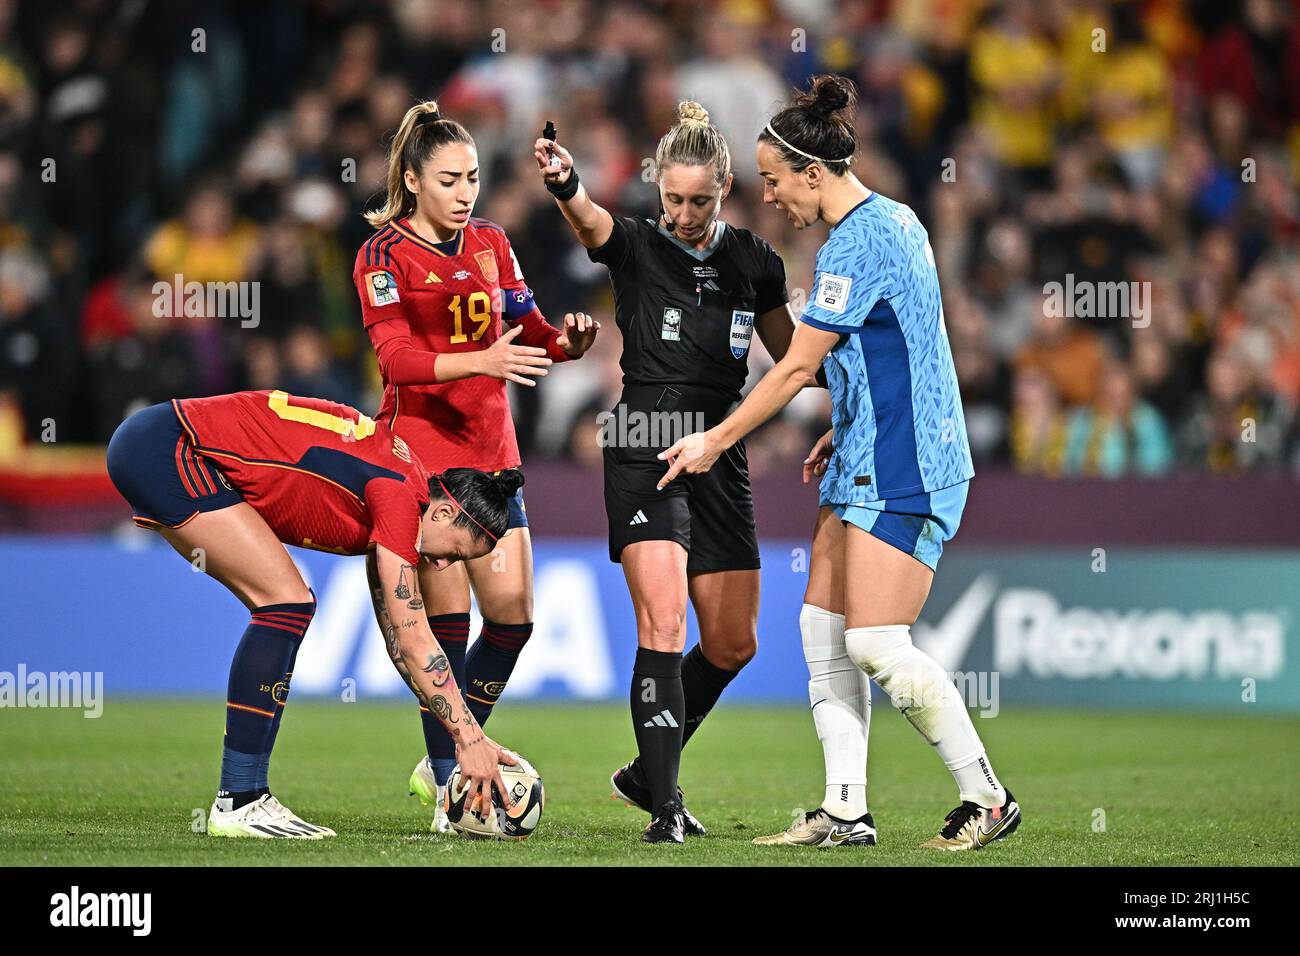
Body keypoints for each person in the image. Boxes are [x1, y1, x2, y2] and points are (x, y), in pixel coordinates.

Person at [658, 76, 1021, 851]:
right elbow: (890, 344)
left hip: (908, 461)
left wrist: (717, 439)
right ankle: (846, 811)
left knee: (875, 643)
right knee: (823, 630)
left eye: (776, 181)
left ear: (813, 174)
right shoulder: (889, 223)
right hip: (867, 448)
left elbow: (793, 372)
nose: (771, 198)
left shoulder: (860, 241)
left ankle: (986, 796)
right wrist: (849, 416)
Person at [536, 101, 796, 843]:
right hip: (646, 442)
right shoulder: (638, 246)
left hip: (721, 447)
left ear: (725, 190)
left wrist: (846, 400)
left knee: (732, 643)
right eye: (673, 198)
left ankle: (646, 772)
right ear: (657, 188)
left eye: (700, 200)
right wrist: (565, 183)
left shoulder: (756, 262)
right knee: (664, 620)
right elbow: (590, 220)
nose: (684, 212)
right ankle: (666, 806)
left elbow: (793, 363)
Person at [105, 389, 521, 839]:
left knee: (286, 603)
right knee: (284, 603)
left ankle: (244, 798)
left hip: (161, 442)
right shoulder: (400, 499)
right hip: (173, 448)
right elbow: (417, 637)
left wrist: (455, 751)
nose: (443, 566)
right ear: (443, 510)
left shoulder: (404, 489)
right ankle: (240, 800)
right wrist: (470, 738)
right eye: (454, 553)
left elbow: (403, 647)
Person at [352, 100, 599, 832]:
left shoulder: (491, 241)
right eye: (452, 179)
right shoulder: (383, 256)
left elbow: (529, 329)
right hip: (421, 458)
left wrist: (568, 344)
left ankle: (462, 751)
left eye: (475, 178)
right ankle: (448, 776)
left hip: (495, 456)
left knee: (515, 619)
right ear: (412, 180)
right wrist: (482, 359)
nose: (467, 193)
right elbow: (394, 359)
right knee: (448, 621)